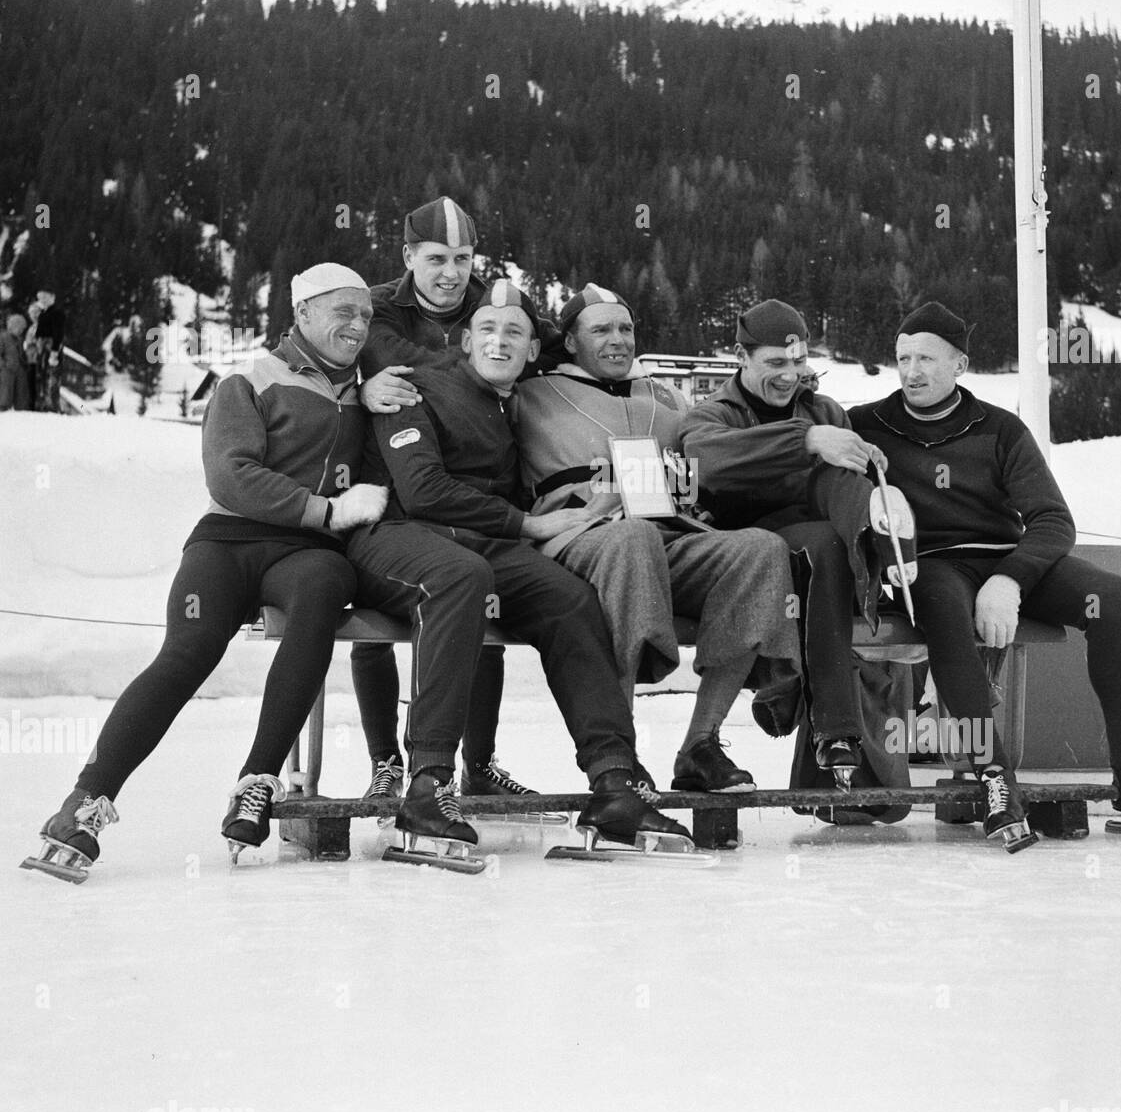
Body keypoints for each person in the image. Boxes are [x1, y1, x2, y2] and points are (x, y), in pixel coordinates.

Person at [22, 264, 396, 883]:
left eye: (365, 314)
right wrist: (326, 509)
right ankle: (83, 804)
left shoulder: (367, 393)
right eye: (342, 311)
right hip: (229, 541)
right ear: (301, 313)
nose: (357, 324)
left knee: (325, 593)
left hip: (306, 553)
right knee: (188, 651)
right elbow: (230, 474)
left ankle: (257, 782)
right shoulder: (248, 381)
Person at [849, 299, 1121, 848]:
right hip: (929, 564)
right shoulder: (866, 425)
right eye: (903, 357)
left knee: (1108, 594)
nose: (912, 371)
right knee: (942, 603)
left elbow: (1051, 519)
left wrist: (1011, 579)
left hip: (1003, 558)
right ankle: (995, 776)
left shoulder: (999, 429)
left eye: (927, 358)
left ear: (960, 365)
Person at [348, 279, 693, 864]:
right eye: (486, 329)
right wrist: (528, 525)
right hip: (401, 537)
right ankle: (429, 784)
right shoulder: (413, 390)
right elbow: (423, 489)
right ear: (465, 341)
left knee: (568, 599)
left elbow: (593, 358)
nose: (500, 342)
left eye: (515, 333)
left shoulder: (517, 400)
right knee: (460, 578)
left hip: (484, 546)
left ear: (534, 351)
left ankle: (615, 780)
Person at [512, 283, 801, 793]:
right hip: (578, 536)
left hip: (665, 533)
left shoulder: (665, 395)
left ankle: (701, 745)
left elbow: (708, 459)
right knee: (632, 539)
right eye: (600, 329)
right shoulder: (528, 392)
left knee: (758, 549)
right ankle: (618, 755)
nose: (618, 339)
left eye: (625, 328)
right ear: (572, 342)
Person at [349, 197, 561, 807]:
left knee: (481, 597)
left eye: (463, 259)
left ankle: (479, 761)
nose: (450, 273)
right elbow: (340, 358)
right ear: (408, 255)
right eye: (436, 258)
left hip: (462, 476)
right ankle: (387, 761)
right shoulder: (379, 307)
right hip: (387, 474)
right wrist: (361, 392)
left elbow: (546, 346)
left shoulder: (490, 303)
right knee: (383, 622)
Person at [678, 299, 912, 793]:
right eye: (776, 364)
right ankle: (833, 725)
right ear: (741, 358)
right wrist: (805, 440)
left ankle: (888, 540)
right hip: (750, 558)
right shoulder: (714, 414)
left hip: (827, 566)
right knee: (823, 544)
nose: (791, 376)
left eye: (800, 362)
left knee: (836, 526)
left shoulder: (825, 410)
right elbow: (704, 457)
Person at [33, 289, 65, 411]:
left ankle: (52, 407)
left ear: (52, 297)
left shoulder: (57, 312)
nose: (43, 300)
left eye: (45, 297)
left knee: (53, 379)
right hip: (42, 348)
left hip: (52, 348)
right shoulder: (43, 313)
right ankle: (43, 405)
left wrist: (54, 351)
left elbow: (58, 333)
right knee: (42, 377)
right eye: (40, 298)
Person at [0, 312, 30, 410]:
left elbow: (22, 354)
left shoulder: (19, 339)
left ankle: (21, 409)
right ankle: (3, 408)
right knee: (5, 391)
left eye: (22, 329)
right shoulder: (3, 337)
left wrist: (25, 364)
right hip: (7, 369)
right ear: (12, 326)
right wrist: (3, 365)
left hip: (19, 368)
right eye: (19, 328)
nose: (21, 331)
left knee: (21, 392)